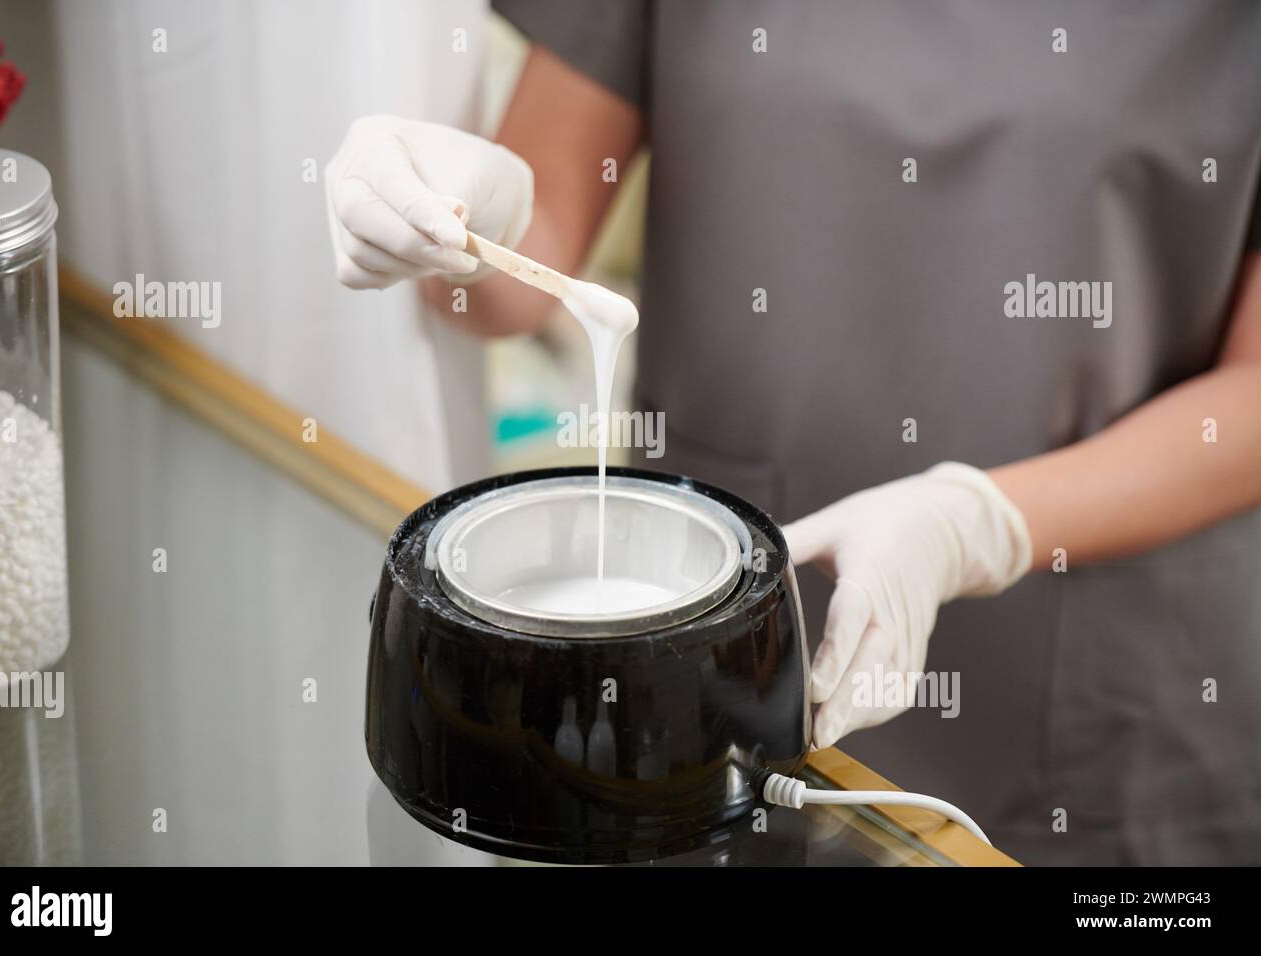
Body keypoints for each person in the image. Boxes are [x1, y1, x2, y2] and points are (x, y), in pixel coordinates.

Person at [324, 1, 1261, 865]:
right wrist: (463, 221)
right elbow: (523, 272)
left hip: (1101, 695)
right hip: (693, 692)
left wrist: (973, 522)